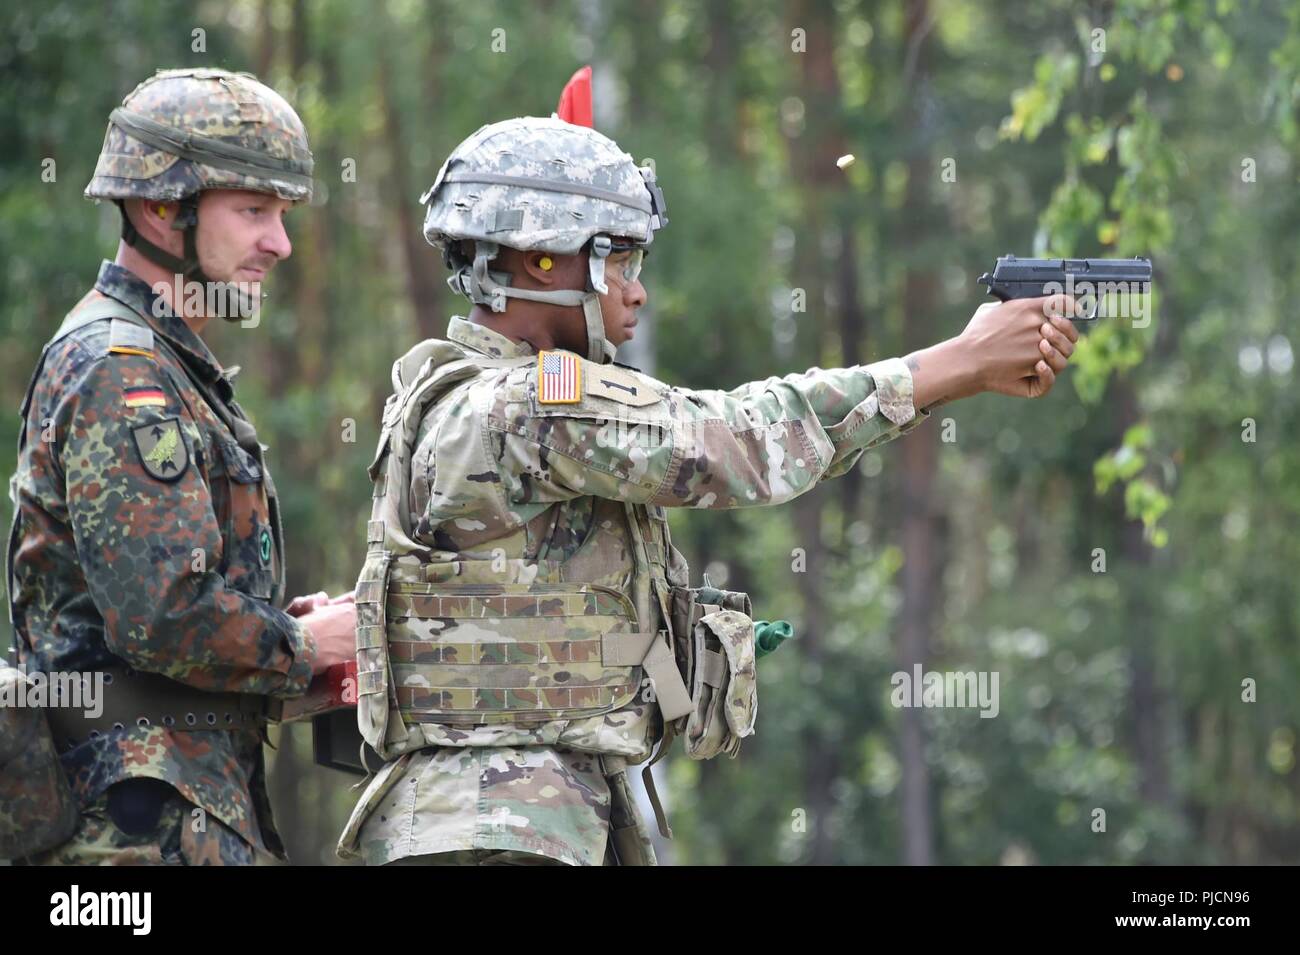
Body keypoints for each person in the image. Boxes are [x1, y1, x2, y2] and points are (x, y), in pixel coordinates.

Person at [338, 115, 1080, 866]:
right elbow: (733, 440)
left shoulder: (469, 397)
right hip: (502, 822)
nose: (638, 293)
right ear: (538, 261)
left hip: (517, 813)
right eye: (619, 261)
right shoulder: (528, 402)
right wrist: (956, 362)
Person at [4, 68, 355, 865]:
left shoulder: (164, 364)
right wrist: (305, 644)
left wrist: (286, 630)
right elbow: (161, 615)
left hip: (175, 803)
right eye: (255, 211)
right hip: (132, 823)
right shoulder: (118, 371)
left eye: (283, 214)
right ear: (164, 209)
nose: (281, 242)